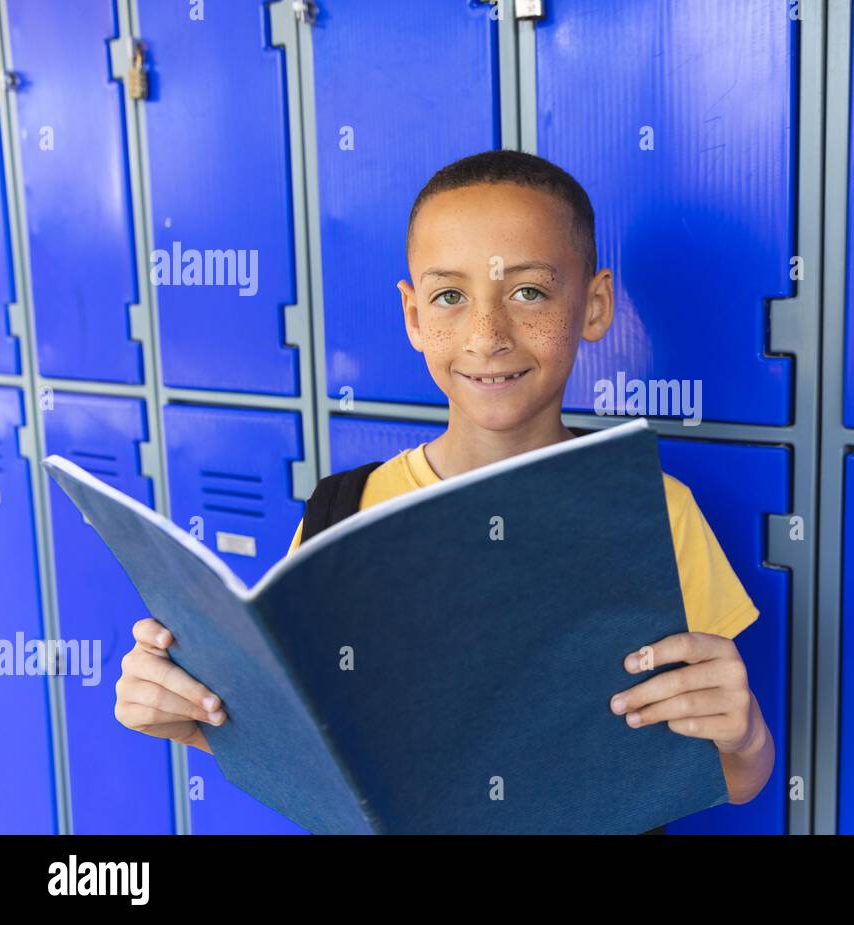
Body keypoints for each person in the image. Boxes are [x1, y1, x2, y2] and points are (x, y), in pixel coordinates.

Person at [113, 150, 775, 817]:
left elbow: (735, 774)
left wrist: (744, 734)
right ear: (413, 314)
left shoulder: (654, 512)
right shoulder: (339, 516)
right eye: (450, 296)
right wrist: (196, 714)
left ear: (595, 303)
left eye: (529, 292)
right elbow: (310, 750)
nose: (487, 337)